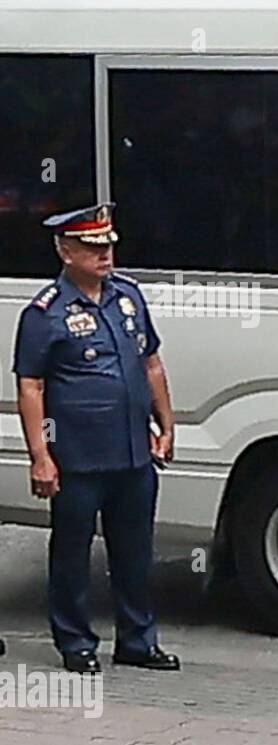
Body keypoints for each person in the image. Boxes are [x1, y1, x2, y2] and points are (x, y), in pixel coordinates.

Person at [12, 202, 180, 675]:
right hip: (78, 458)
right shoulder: (45, 313)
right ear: (66, 252)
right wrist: (40, 456)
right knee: (71, 553)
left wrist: (166, 424)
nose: (104, 255)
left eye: (108, 246)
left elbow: (151, 363)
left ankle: (137, 640)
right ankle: (75, 641)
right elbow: (32, 386)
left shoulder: (127, 297)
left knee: (135, 553)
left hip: (132, 453)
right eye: (92, 247)